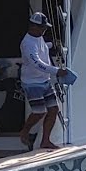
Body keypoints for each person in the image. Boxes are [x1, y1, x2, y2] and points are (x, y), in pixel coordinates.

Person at [20, 12, 68, 150]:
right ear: (33, 27)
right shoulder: (27, 43)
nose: (44, 30)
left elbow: (43, 47)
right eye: (42, 28)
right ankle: (24, 131)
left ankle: (45, 141)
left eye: (45, 28)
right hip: (32, 83)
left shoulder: (38, 37)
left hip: (45, 80)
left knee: (53, 110)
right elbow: (37, 63)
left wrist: (53, 44)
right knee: (39, 112)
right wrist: (56, 70)